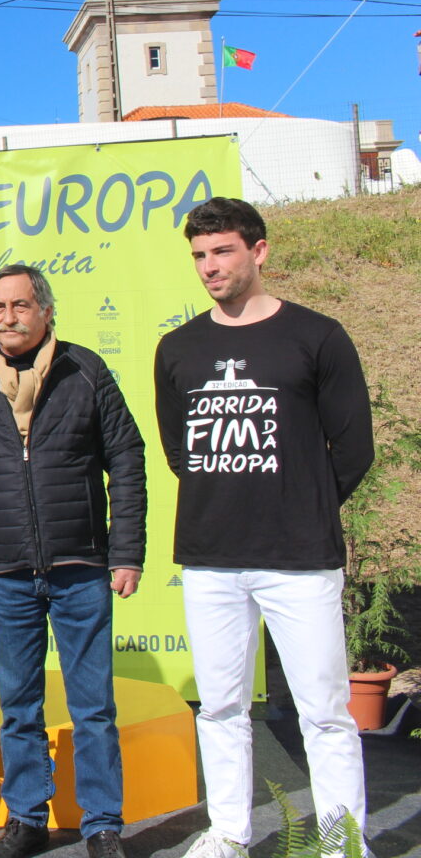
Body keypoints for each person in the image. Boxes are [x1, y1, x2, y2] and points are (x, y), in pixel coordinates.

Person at [154, 198, 374, 858]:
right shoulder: (179, 348)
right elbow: (179, 450)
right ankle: (229, 834)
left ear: (260, 251)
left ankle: (342, 843)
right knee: (220, 709)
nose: (209, 266)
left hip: (300, 560)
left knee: (325, 713)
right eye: (198, 255)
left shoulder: (317, 337)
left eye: (221, 251)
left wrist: (298, 507)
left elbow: (354, 447)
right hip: (210, 558)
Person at [0, 265, 145, 858]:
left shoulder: (85, 372)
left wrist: (126, 551)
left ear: (46, 311)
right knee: (18, 705)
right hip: (5, 574)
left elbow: (126, 458)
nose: (9, 317)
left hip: (81, 567)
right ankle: (26, 818)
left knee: (93, 706)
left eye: (21, 305)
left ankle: (103, 823)